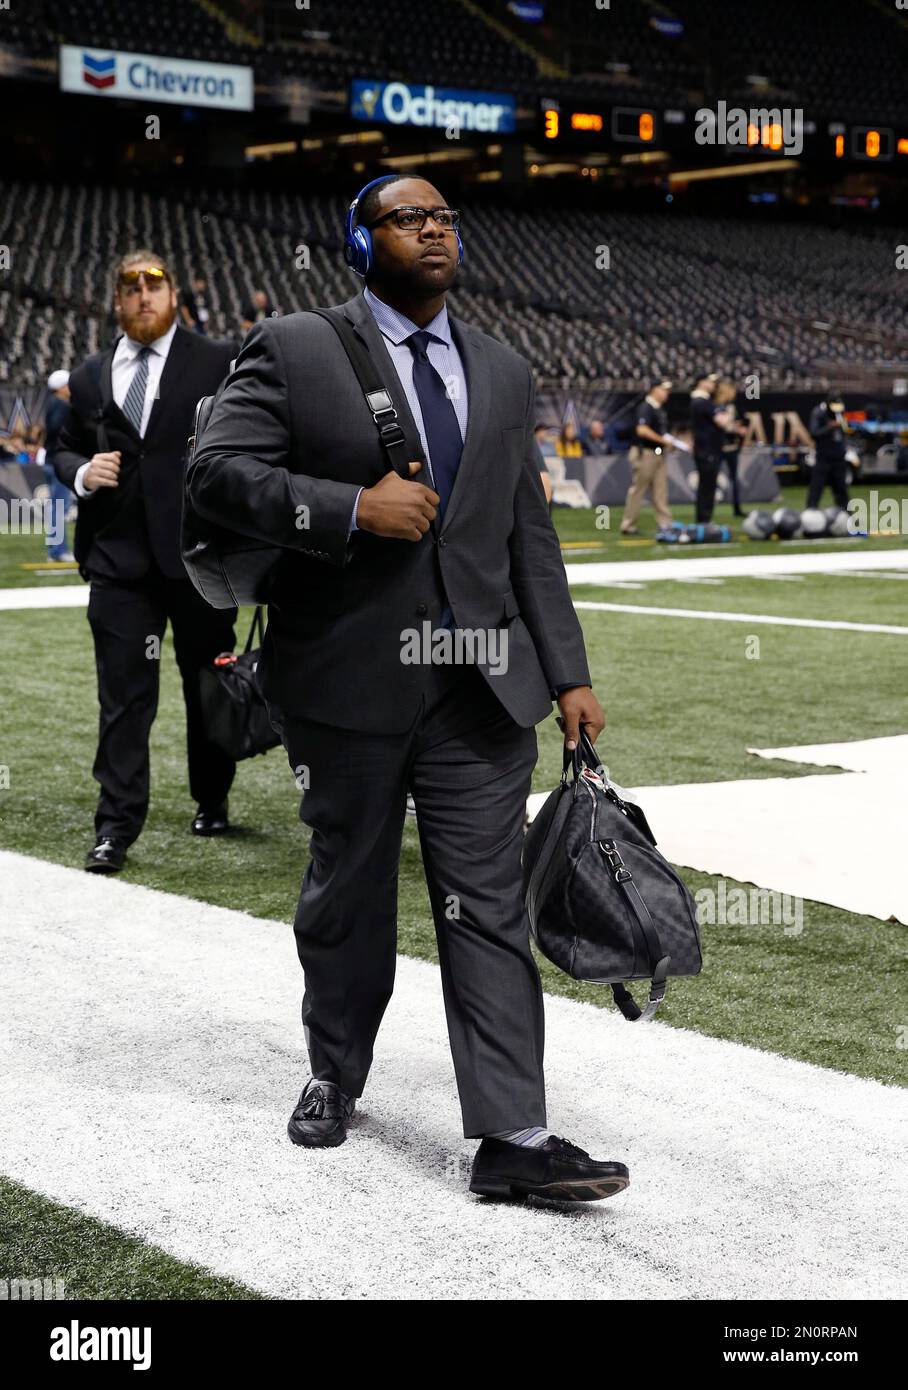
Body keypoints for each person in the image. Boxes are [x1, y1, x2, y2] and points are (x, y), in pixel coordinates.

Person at [189, 173, 628, 1204]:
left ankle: (513, 1136)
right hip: (346, 678)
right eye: (406, 217)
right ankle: (334, 1073)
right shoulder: (295, 344)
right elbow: (215, 474)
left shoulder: (505, 369)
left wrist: (566, 671)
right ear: (358, 239)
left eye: (443, 218)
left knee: (486, 905)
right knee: (348, 890)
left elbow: (527, 536)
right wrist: (346, 509)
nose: (431, 231)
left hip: (478, 687)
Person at [54, 250, 238, 874]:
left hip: (198, 555)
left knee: (207, 683)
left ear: (174, 293)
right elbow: (62, 448)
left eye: (153, 283)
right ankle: (115, 826)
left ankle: (212, 798)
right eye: (129, 286)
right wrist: (80, 472)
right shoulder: (86, 377)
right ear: (116, 300)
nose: (142, 294)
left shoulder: (216, 360)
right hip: (118, 558)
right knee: (124, 698)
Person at [620, 379, 683, 535]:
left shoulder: (658, 409)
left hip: (657, 453)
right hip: (645, 453)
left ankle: (665, 523)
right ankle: (628, 525)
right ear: (654, 390)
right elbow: (642, 430)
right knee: (638, 490)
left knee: (660, 490)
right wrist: (664, 441)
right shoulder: (646, 407)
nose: (667, 393)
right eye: (664, 389)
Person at [689, 370, 745, 523]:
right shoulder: (702, 402)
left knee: (707, 487)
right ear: (702, 382)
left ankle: (704, 519)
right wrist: (727, 416)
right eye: (711, 381)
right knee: (707, 487)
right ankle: (704, 520)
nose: (714, 385)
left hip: (707, 449)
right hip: (708, 450)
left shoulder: (703, 402)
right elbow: (724, 422)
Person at [42, 370, 75, 561]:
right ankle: (57, 551)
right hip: (57, 462)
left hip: (50, 460)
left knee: (56, 507)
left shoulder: (52, 404)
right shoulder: (60, 406)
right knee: (59, 507)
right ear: (62, 388)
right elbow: (57, 430)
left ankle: (56, 549)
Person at [807, 393, 855, 510]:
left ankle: (847, 517)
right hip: (823, 458)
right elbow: (814, 433)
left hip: (838, 458)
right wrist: (829, 427)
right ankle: (811, 513)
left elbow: (846, 431)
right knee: (816, 488)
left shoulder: (840, 413)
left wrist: (846, 426)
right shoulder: (818, 412)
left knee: (841, 489)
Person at [715, 379, 746, 516]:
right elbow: (726, 426)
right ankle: (709, 508)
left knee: (734, 479)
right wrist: (737, 429)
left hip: (730, 446)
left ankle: (737, 508)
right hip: (721, 446)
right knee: (714, 478)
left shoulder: (729, 406)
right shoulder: (720, 406)